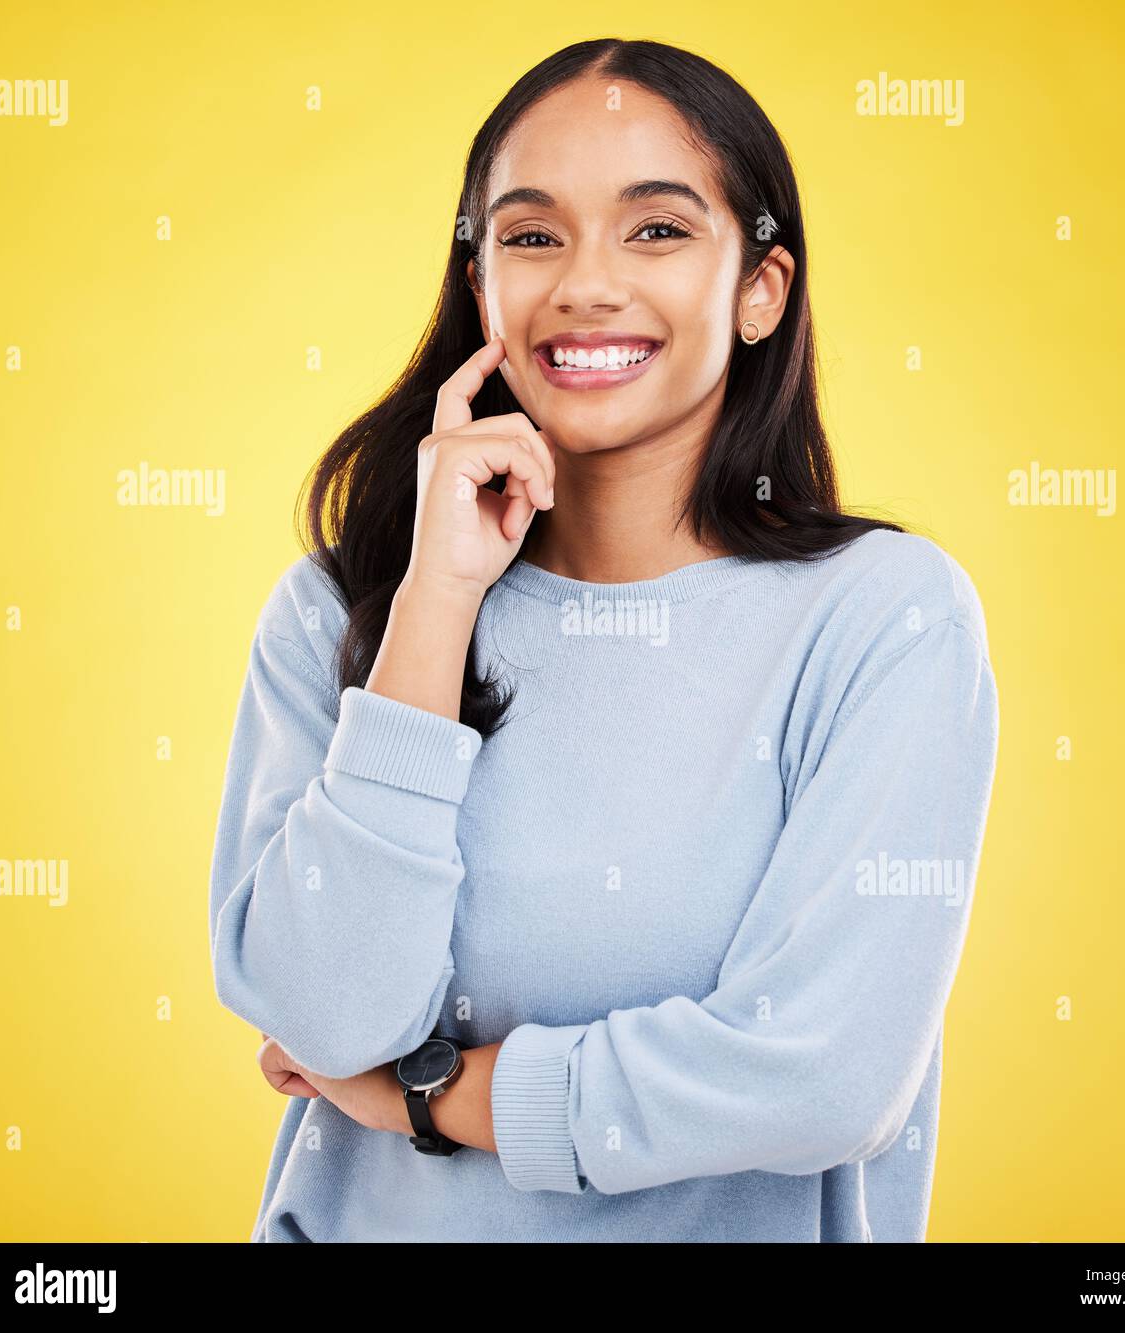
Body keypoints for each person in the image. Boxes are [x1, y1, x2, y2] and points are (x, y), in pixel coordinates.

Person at [208, 37, 999, 1243]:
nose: (583, 285)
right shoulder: (340, 609)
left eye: (657, 230)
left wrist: (430, 1097)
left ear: (759, 288)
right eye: (529, 236)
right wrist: (435, 601)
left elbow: (824, 1077)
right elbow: (327, 1014)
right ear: (481, 286)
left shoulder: (882, 618)